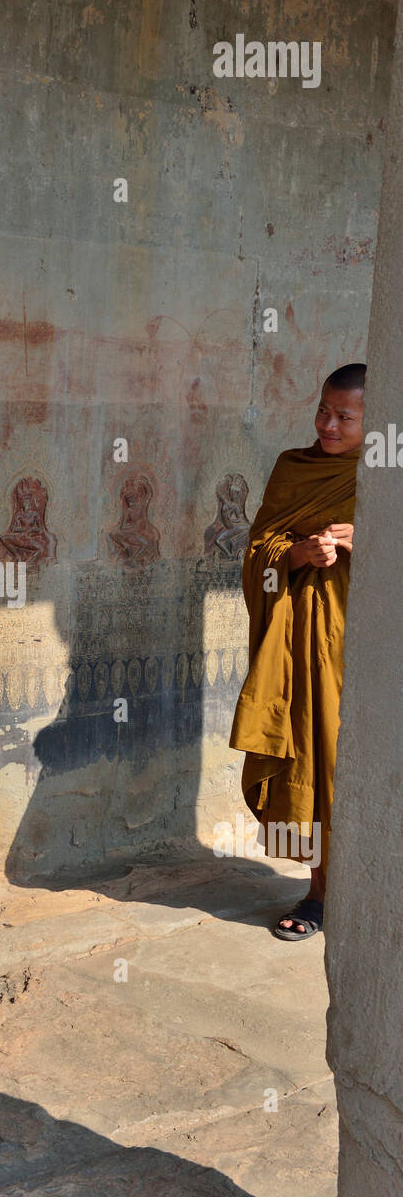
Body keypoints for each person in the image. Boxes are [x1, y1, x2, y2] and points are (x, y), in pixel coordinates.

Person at [229, 363, 364, 939]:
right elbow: (258, 549)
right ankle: (319, 894)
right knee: (312, 758)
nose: (327, 425)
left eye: (344, 417)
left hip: (366, 645)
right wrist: (295, 554)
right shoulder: (294, 467)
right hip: (307, 648)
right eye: (322, 411)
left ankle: (370, 891)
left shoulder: (388, 472)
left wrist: (368, 537)